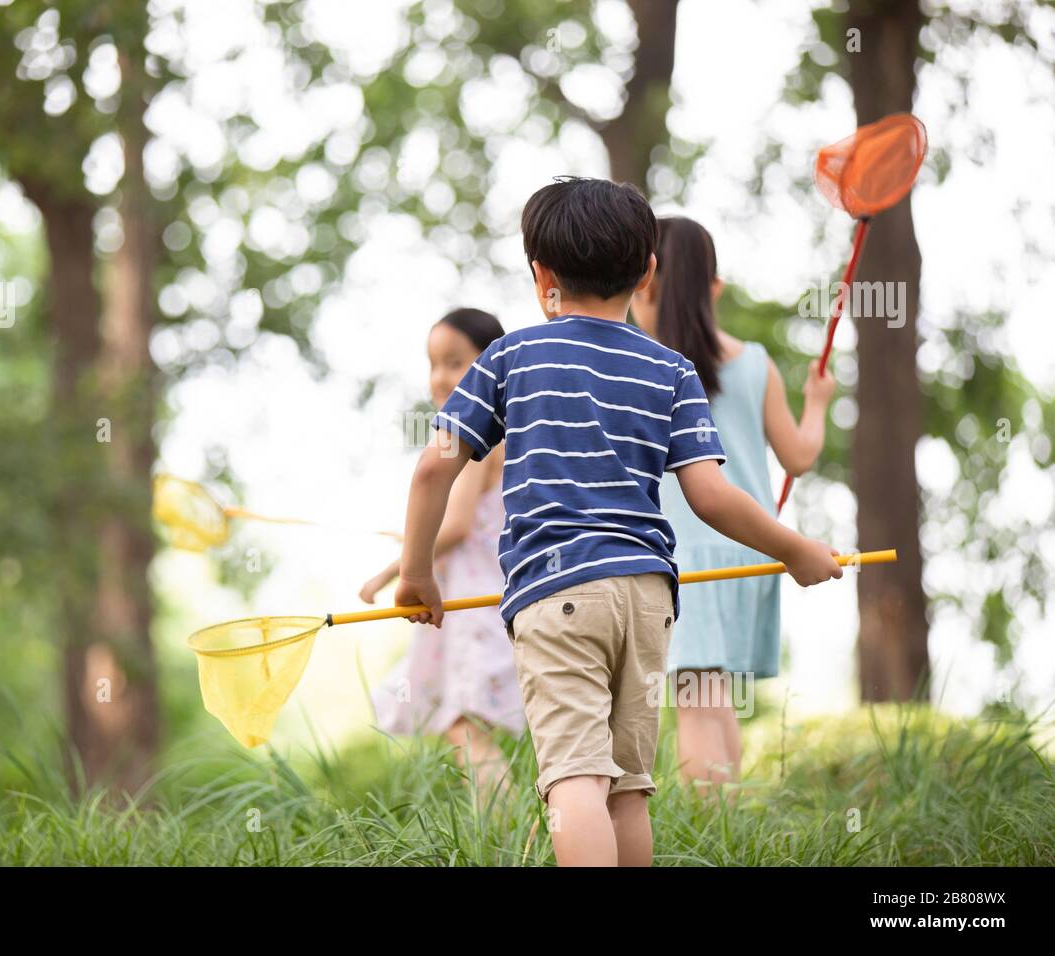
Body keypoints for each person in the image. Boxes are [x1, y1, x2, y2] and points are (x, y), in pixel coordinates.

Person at [391, 176, 842, 867]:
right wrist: (796, 549)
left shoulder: (510, 358)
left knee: (573, 779)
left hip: (557, 595)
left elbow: (432, 469)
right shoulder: (671, 371)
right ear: (646, 270)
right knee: (627, 789)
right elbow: (711, 496)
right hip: (648, 600)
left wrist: (417, 573)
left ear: (541, 274)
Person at [629, 216, 837, 788]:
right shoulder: (755, 362)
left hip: (683, 554)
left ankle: (713, 823)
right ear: (714, 289)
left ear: (641, 282)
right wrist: (816, 402)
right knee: (714, 694)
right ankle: (728, 825)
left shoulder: (644, 368)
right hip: (753, 549)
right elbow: (797, 456)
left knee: (695, 699)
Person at [360, 308, 525, 795]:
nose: (440, 377)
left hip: (474, 610)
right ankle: (509, 839)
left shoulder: (477, 437)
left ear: (490, 365)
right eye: (433, 364)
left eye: (455, 363)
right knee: (464, 729)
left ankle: (518, 842)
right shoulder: (509, 436)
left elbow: (453, 527)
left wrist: (391, 570)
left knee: (466, 730)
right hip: (479, 604)